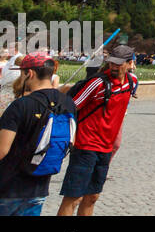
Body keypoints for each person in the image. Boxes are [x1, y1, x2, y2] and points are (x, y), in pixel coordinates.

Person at [57, 45, 138, 217]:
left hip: (106, 148)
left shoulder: (132, 82)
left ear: (130, 63)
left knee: (92, 197)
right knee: (73, 197)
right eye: (111, 63)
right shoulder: (98, 83)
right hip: (86, 145)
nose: (114, 67)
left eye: (119, 64)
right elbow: (71, 107)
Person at [0, 52, 77, 216]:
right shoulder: (68, 103)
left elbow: (2, 149)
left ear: (30, 73)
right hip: (39, 187)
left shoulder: (21, 105)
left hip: (8, 187)